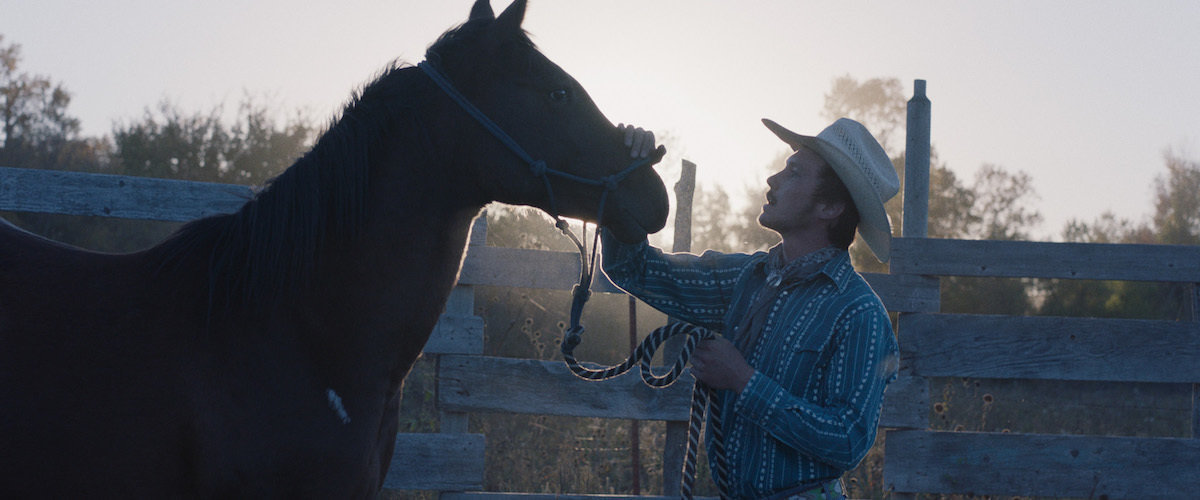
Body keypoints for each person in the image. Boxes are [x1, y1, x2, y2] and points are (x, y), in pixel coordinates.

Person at [603, 118, 901, 500]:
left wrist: (743, 380)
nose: (772, 180)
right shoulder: (745, 278)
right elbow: (633, 268)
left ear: (830, 206)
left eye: (793, 173)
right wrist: (623, 172)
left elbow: (846, 441)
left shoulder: (858, 313)